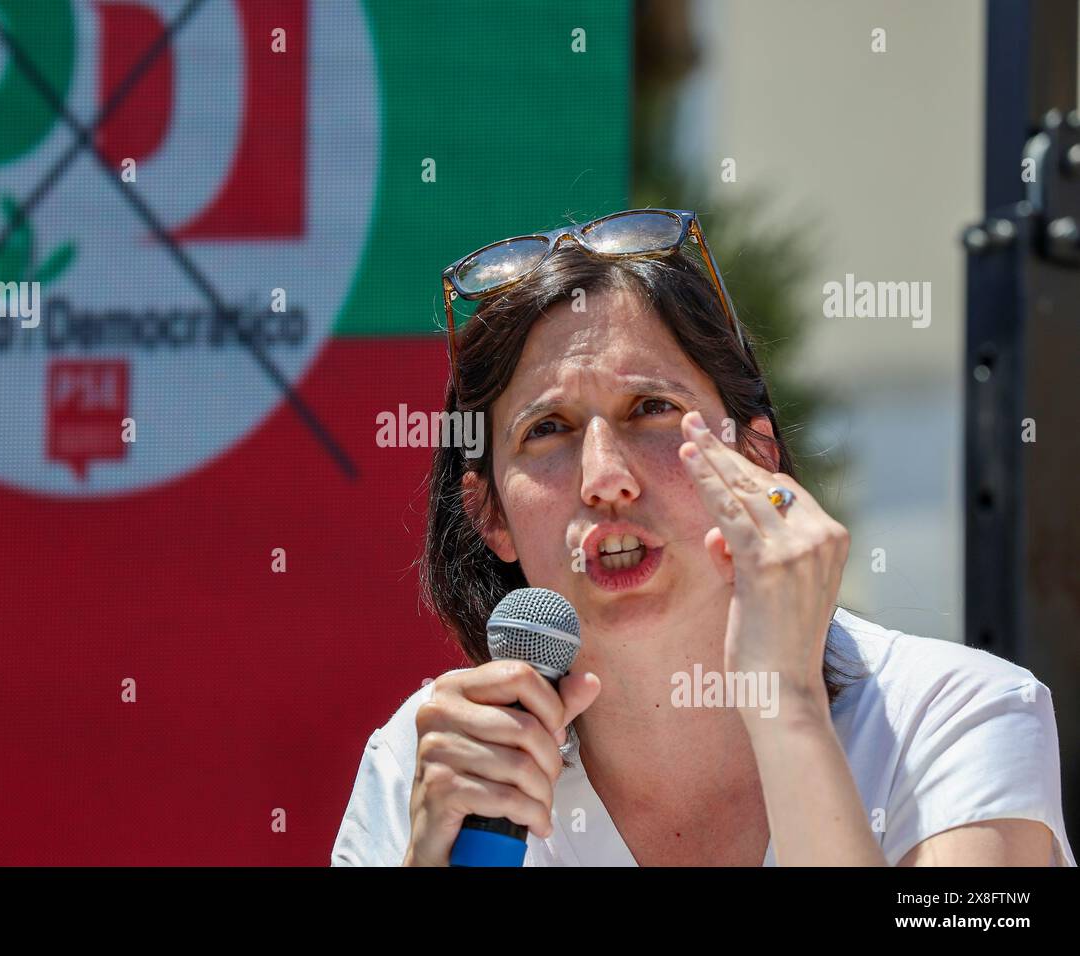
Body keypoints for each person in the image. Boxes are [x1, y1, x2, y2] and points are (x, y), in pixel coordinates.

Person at [331, 209, 1076, 866]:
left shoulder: (956, 715)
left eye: (650, 407)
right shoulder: (425, 766)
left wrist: (785, 702)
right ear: (491, 516)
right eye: (548, 429)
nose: (605, 477)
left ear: (754, 457)